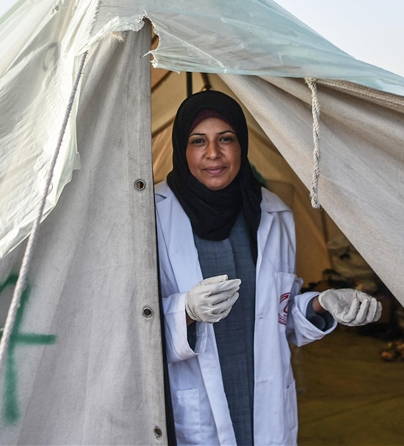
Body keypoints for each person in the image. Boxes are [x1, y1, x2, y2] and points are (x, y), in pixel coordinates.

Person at [156, 90, 382, 445]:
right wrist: (184, 310)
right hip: (196, 397)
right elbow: (131, 326)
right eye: (198, 141)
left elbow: (279, 312)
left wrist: (321, 304)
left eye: (225, 139)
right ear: (182, 149)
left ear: (242, 145)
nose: (213, 154)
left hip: (263, 392)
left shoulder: (272, 212)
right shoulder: (154, 215)